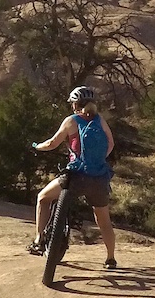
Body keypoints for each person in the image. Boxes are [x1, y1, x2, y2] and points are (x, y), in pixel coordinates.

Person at [29, 86, 117, 269]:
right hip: (99, 177)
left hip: (76, 175)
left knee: (43, 198)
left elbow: (52, 143)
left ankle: (38, 240)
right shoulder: (100, 120)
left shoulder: (72, 121)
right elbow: (111, 143)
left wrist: (37, 146)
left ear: (75, 105)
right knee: (103, 220)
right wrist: (99, 160)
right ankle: (110, 259)